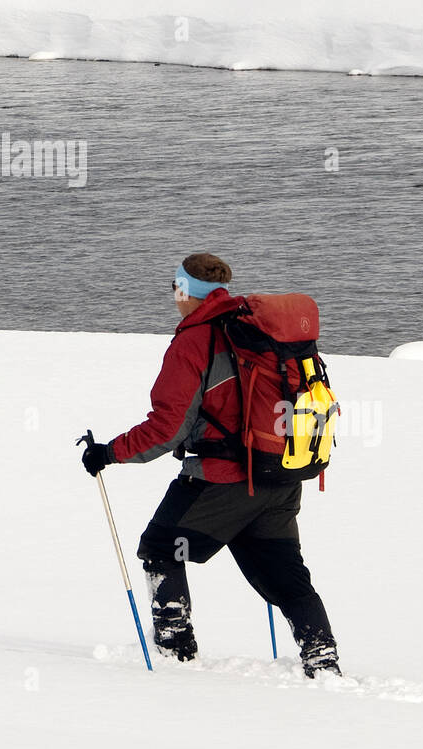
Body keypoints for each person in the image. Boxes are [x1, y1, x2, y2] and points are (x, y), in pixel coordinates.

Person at [81, 252, 340, 678]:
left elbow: (167, 429)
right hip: (280, 473)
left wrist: (108, 453)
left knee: (162, 549)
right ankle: (322, 659)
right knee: (287, 576)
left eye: (175, 287)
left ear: (185, 292)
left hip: (221, 481)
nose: (173, 296)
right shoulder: (252, 328)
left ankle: (175, 649)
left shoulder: (195, 341)